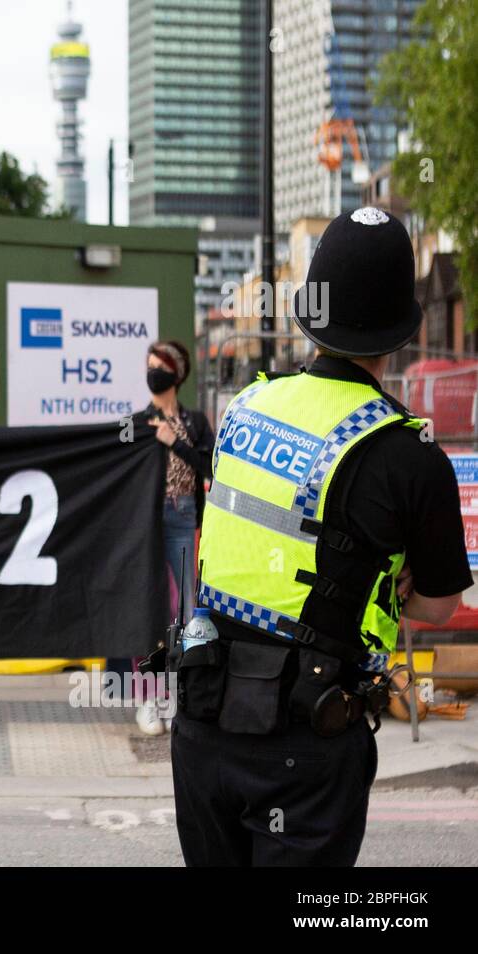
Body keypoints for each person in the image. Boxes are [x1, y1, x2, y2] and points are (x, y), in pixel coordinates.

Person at [171, 208, 471, 866]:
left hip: (203, 717)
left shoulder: (246, 405)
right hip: (306, 744)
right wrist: (390, 583)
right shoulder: (410, 455)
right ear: (402, 326)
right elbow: (438, 605)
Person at [130, 341, 214, 736]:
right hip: (146, 518)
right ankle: (147, 698)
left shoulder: (195, 421)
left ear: (176, 373)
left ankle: (181, 695)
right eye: (148, 366)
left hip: (183, 514)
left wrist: (173, 440)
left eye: (158, 366)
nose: (151, 372)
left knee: (187, 611)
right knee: (148, 607)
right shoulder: (136, 421)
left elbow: (208, 464)